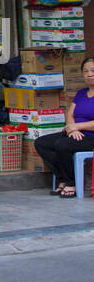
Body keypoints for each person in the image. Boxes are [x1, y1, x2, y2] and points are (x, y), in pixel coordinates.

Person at [34, 55, 94, 197]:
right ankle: (62, 177)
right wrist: (71, 127)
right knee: (41, 143)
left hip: (91, 136)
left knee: (62, 145)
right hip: (74, 133)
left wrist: (77, 127)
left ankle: (71, 183)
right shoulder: (81, 93)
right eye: (86, 71)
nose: (90, 74)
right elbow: (70, 113)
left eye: (93, 70)